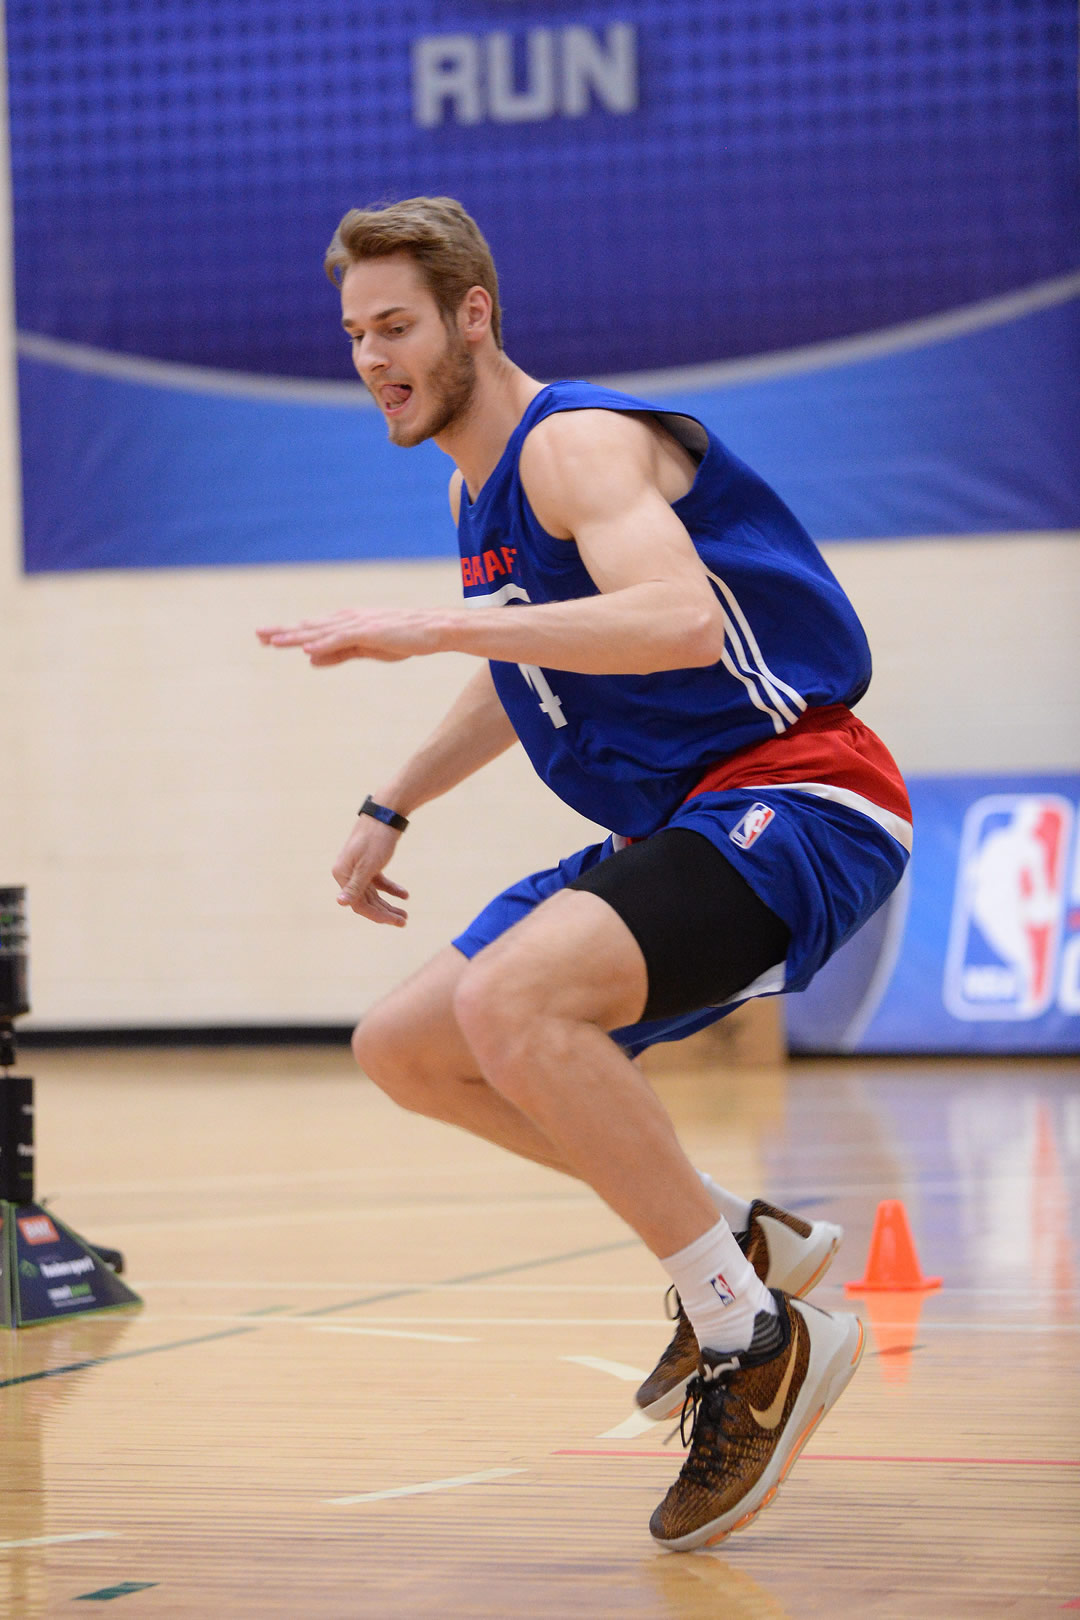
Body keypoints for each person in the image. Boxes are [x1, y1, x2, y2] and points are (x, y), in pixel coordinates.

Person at [259, 196, 912, 1551]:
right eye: (355, 335)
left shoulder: (577, 445)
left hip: (801, 794)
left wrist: (425, 626)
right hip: (676, 816)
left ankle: (757, 1336)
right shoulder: (472, 487)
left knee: (514, 1006)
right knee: (409, 1047)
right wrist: (393, 801)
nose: (374, 358)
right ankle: (748, 1242)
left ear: (472, 314)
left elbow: (671, 620)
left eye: (397, 327)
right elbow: (529, 668)